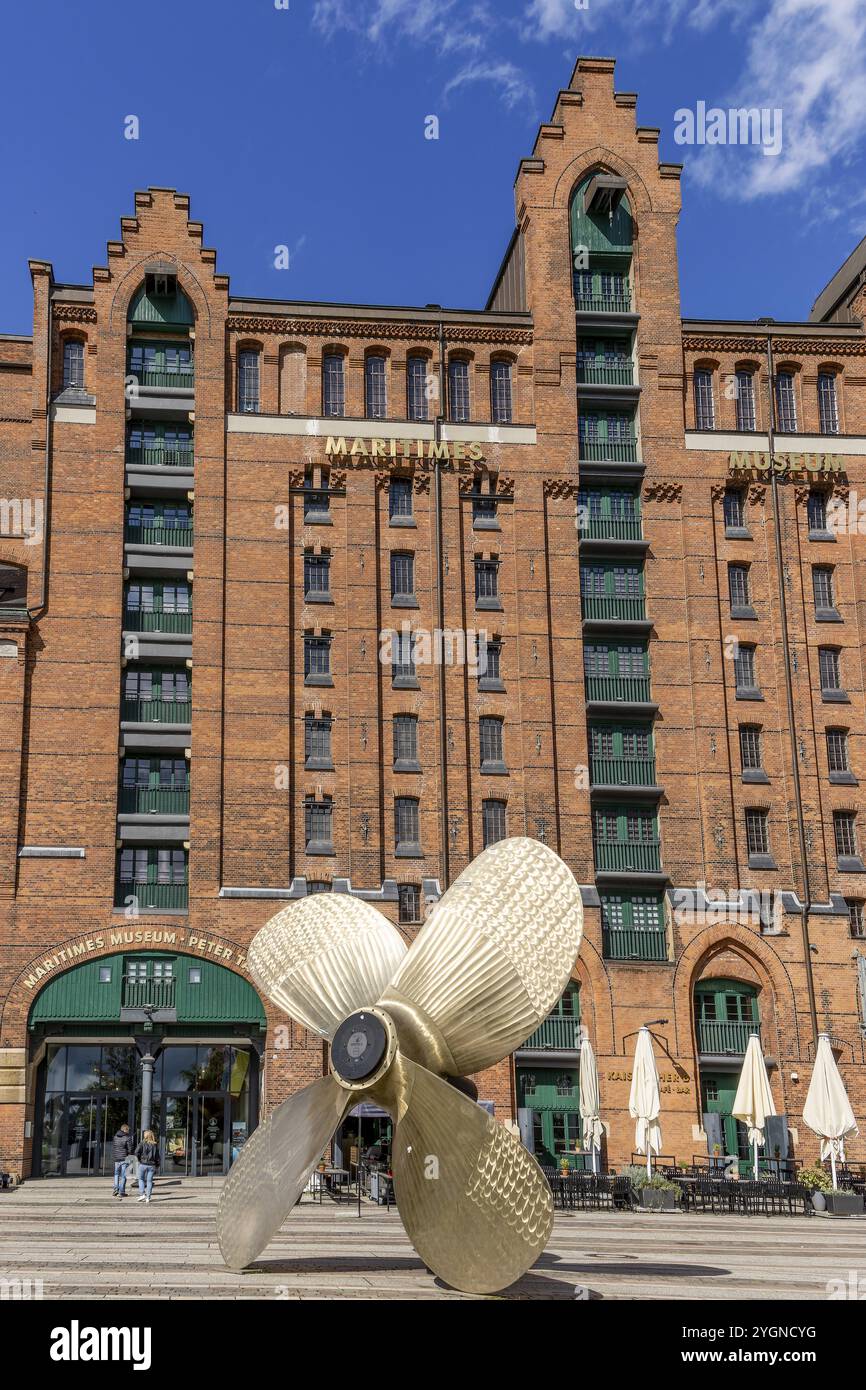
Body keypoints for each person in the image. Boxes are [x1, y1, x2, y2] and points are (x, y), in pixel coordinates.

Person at [135, 1129, 160, 1204]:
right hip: (151, 1165)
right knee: (149, 1182)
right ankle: (148, 1198)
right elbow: (157, 1157)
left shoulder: (142, 1143)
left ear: (145, 1136)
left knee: (141, 1179)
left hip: (143, 1164)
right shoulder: (155, 1145)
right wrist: (157, 1165)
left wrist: (140, 1160)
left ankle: (142, 1194)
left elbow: (136, 1152)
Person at [111, 1123, 134, 1198]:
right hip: (124, 1158)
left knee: (116, 1174)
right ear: (125, 1129)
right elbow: (130, 1149)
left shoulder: (115, 1137)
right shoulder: (127, 1138)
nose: (128, 1131)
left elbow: (114, 1147)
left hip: (116, 1158)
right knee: (123, 1175)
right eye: (128, 1130)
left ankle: (115, 1190)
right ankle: (122, 1192)